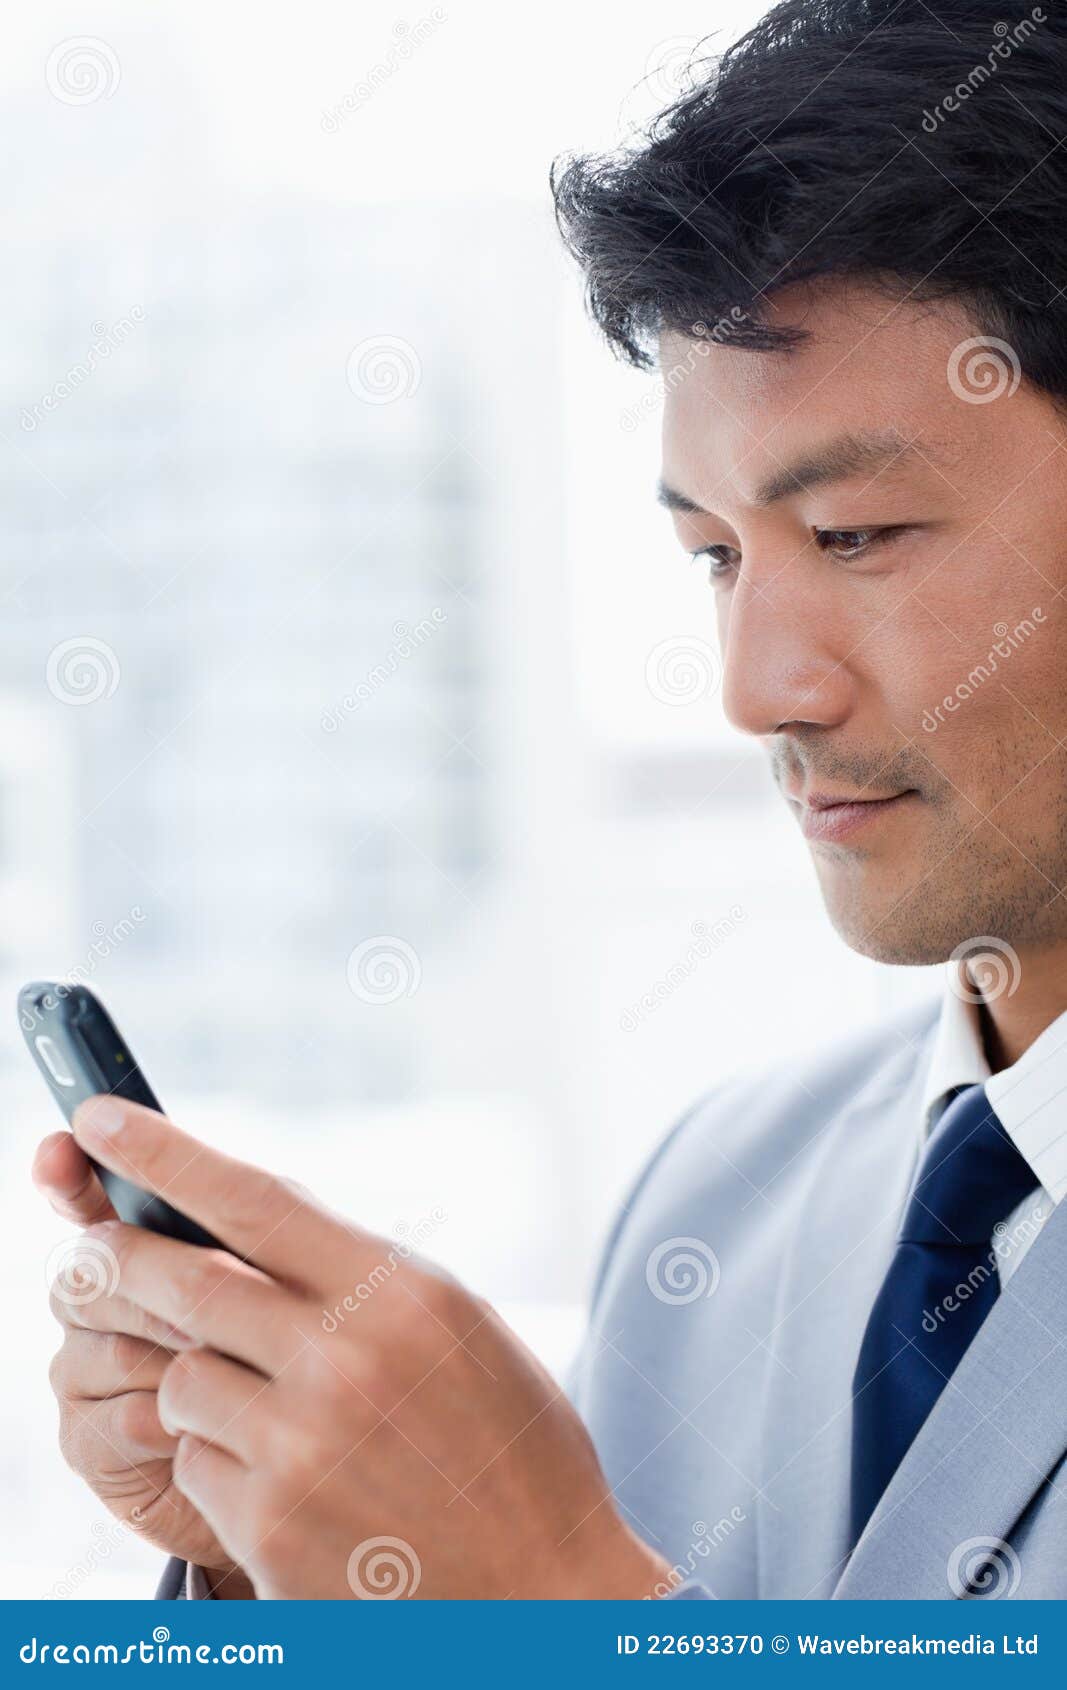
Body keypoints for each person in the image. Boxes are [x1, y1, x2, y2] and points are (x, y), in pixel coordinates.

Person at [33, 0, 1067, 1599]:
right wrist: (297, 1557)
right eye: (714, 556)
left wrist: (554, 1598)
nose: (756, 687)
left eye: (856, 535)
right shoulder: (718, 1204)